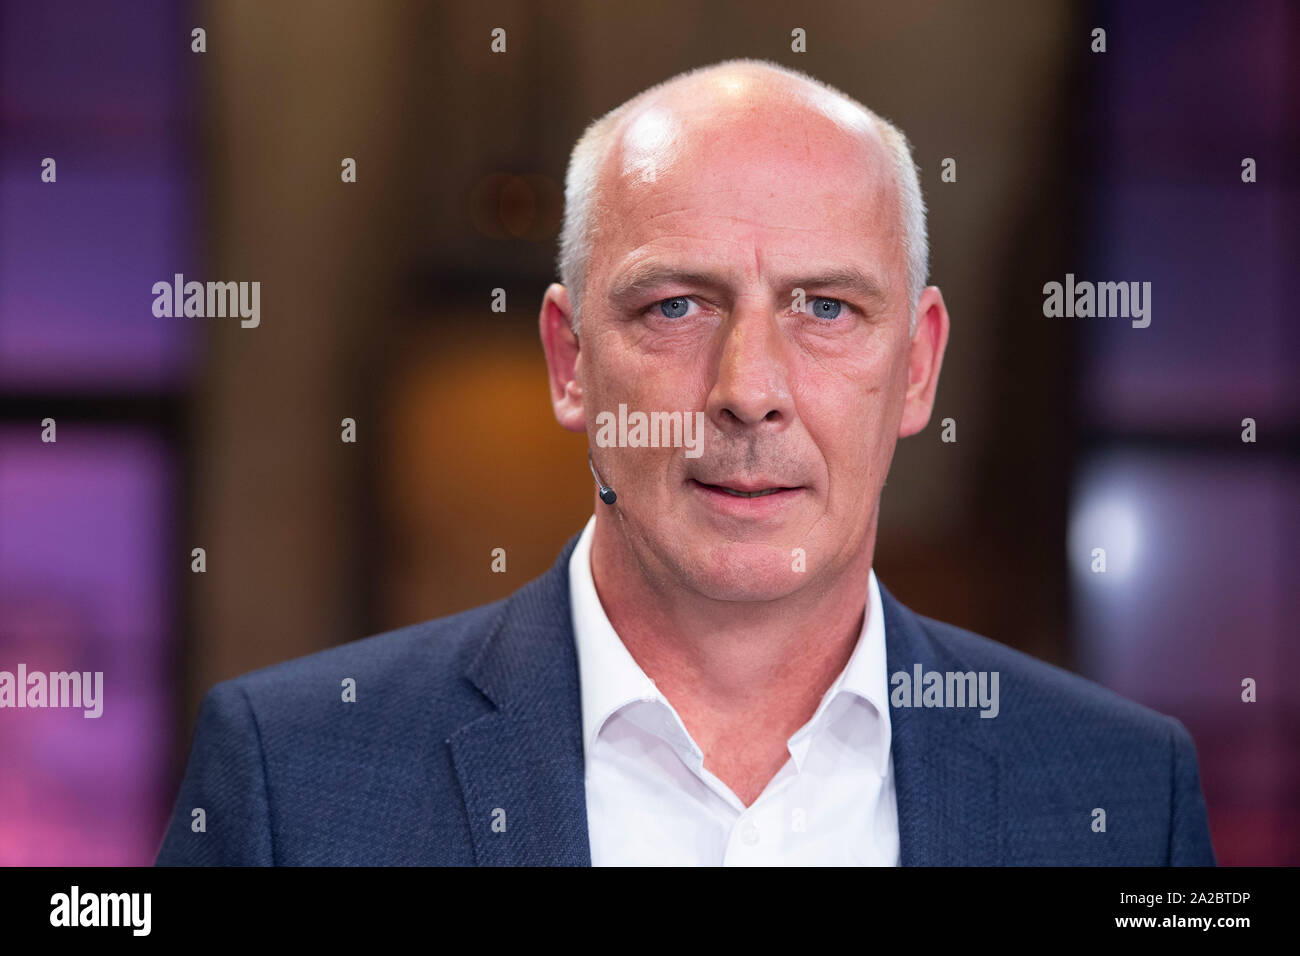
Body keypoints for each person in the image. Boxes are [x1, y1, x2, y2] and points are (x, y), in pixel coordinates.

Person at [156, 58, 1215, 866]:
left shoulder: (1123, 796)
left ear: (918, 368)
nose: (748, 387)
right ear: (569, 362)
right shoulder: (292, 783)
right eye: (675, 306)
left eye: (826, 307)